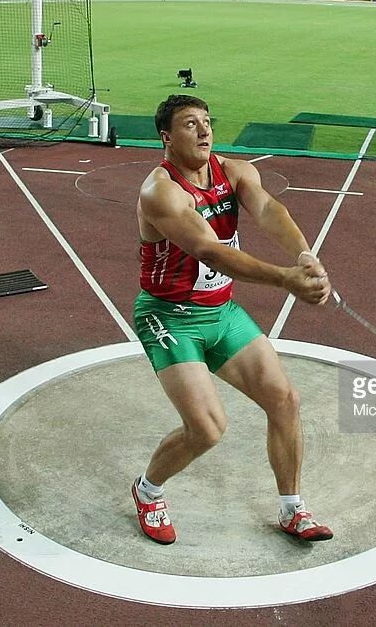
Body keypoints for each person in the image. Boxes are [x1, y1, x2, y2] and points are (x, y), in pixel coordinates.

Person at [131, 94, 334, 545]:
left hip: (221, 313)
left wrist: (304, 257)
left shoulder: (236, 172)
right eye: (189, 124)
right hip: (170, 317)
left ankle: (292, 509)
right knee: (207, 428)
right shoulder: (160, 192)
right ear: (166, 137)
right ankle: (147, 491)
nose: (204, 130)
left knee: (285, 400)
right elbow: (209, 251)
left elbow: (268, 210)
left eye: (206, 122)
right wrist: (287, 280)